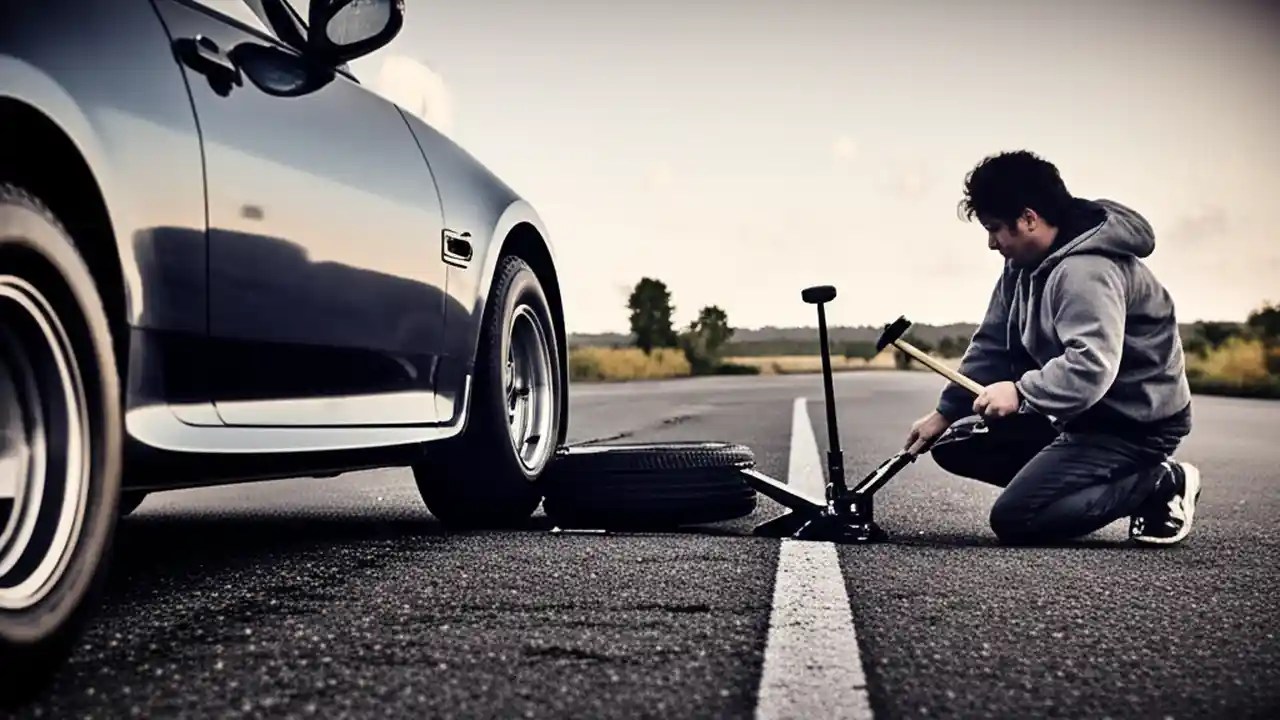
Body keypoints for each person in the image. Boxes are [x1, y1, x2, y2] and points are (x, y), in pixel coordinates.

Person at [903, 150, 1201, 546]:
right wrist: (944, 412)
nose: (992, 243)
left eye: (995, 229)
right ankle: (1071, 472)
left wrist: (1022, 392)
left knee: (1017, 517)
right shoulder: (1023, 264)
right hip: (1082, 415)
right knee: (954, 445)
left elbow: (1091, 365)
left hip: (1134, 425)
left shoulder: (1086, 271)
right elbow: (993, 344)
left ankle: (1159, 481)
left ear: (1029, 219)